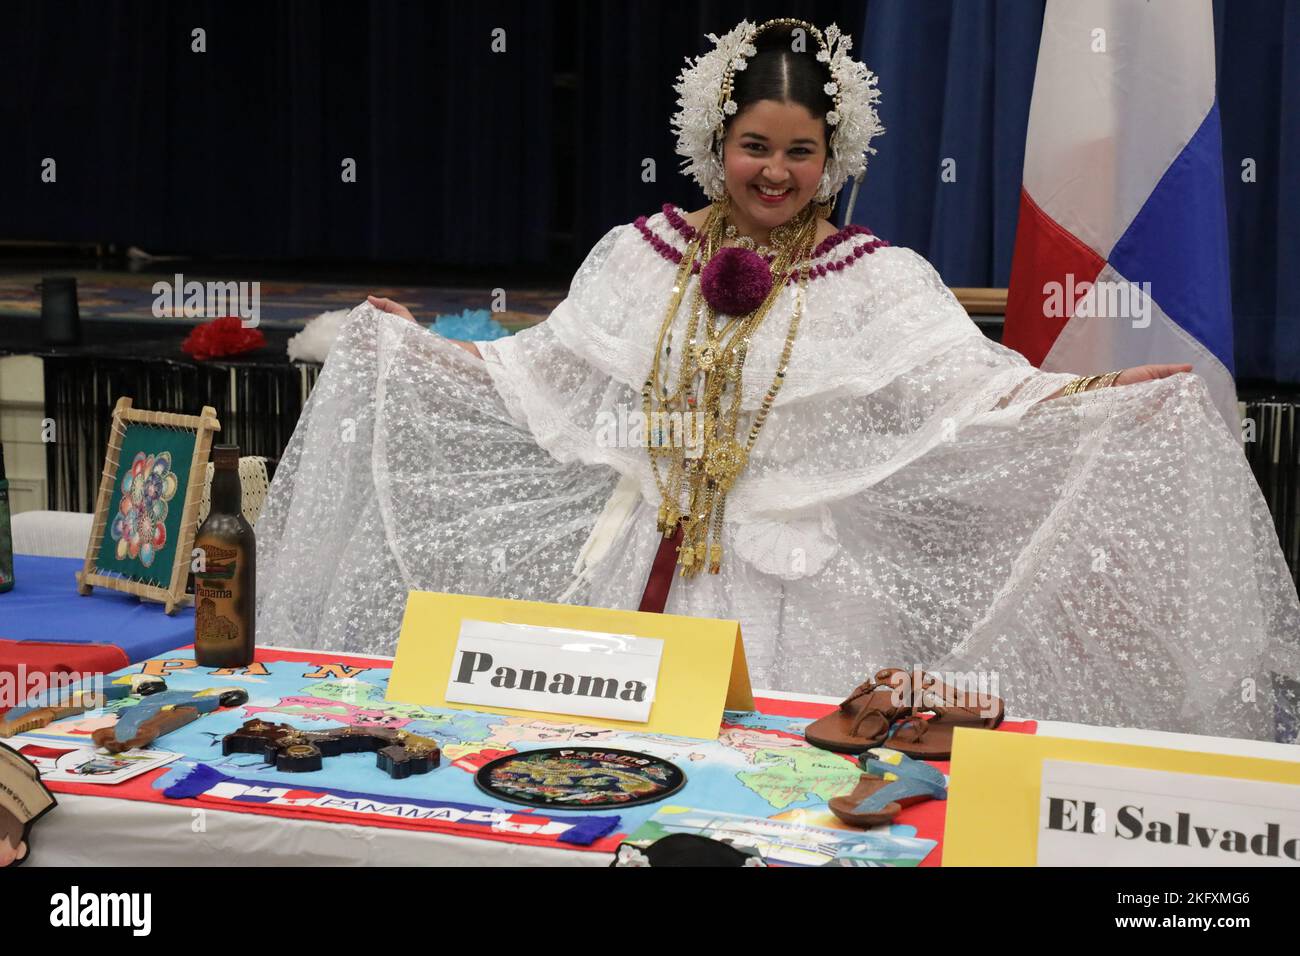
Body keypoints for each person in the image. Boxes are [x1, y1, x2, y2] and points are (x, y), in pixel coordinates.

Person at [256, 18, 1300, 742]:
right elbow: (542, 376)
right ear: (715, 142)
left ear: (833, 156)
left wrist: (1101, 399)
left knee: (789, 786)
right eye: (756, 146)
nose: (774, 172)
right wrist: (410, 348)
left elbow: (975, 396)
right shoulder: (636, 252)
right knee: (605, 767)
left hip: (799, 598)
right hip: (630, 584)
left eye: (801, 152)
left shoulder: (880, 278)